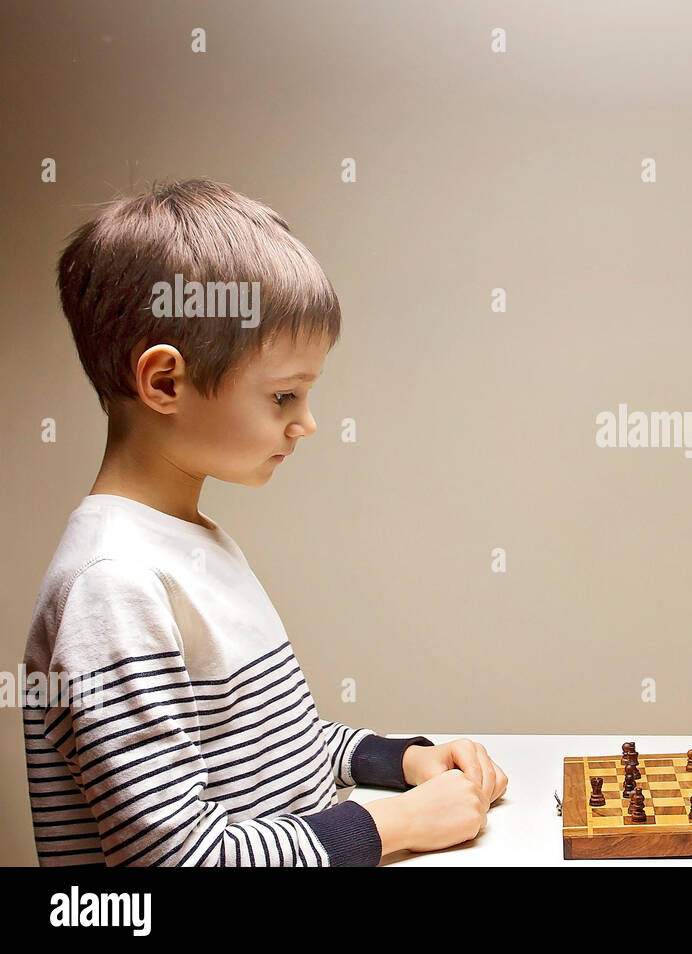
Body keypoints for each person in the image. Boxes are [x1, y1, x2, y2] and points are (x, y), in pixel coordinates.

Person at [23, 179, 506, 866]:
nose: (306, 423)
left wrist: (397, 762)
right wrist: (392, 826)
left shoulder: (190, 542)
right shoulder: (115, 586)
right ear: (164, 383)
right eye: (284, 395)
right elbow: (178, 858)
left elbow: (277, 753)